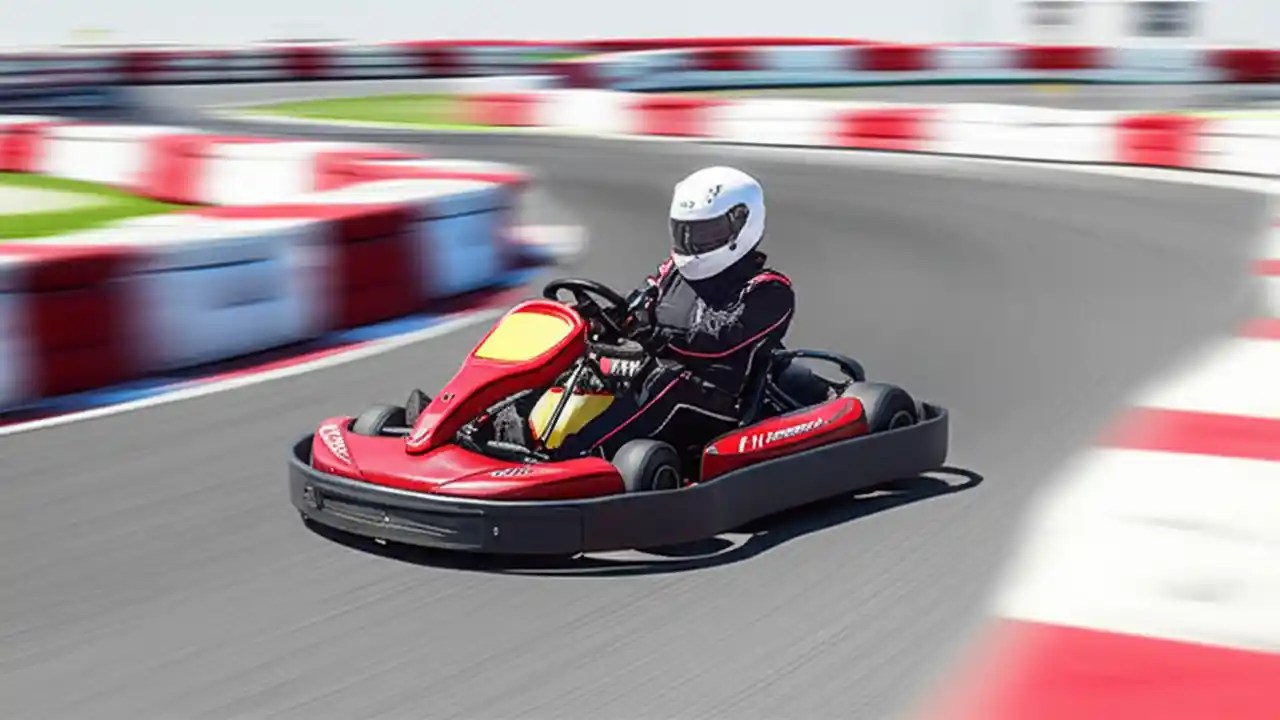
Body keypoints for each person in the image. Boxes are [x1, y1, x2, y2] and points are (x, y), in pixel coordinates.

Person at [548, 165, 796, 460]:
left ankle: (578, 456)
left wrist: (654, 335)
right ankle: (516, 430)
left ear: (742, 222)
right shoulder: (672, 272)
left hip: (719, 400)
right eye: (685, 231)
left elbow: (719, 340)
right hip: (659, 372)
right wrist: (601, 318)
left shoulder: (769, 289)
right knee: (578, 358)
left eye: (706, 232)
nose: (692, 242)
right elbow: (636, 306)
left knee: (665, 379)